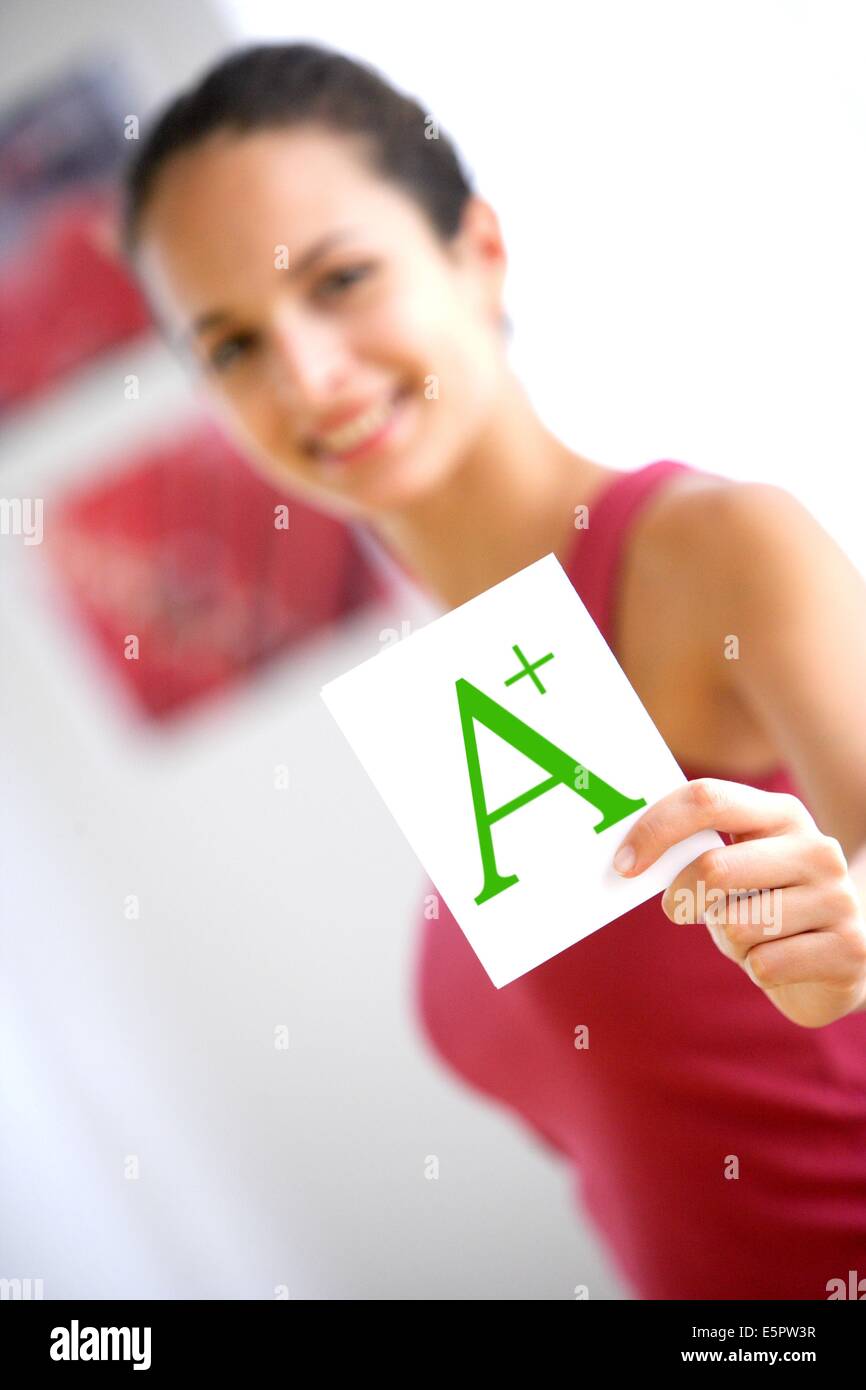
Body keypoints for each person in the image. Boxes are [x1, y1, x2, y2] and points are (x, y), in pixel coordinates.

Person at [121, 43, 866, 1300]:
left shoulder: (713, 550)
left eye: (343, 280)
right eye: (233, 344)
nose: (306, 376)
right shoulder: (472, 700)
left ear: (478, 254)